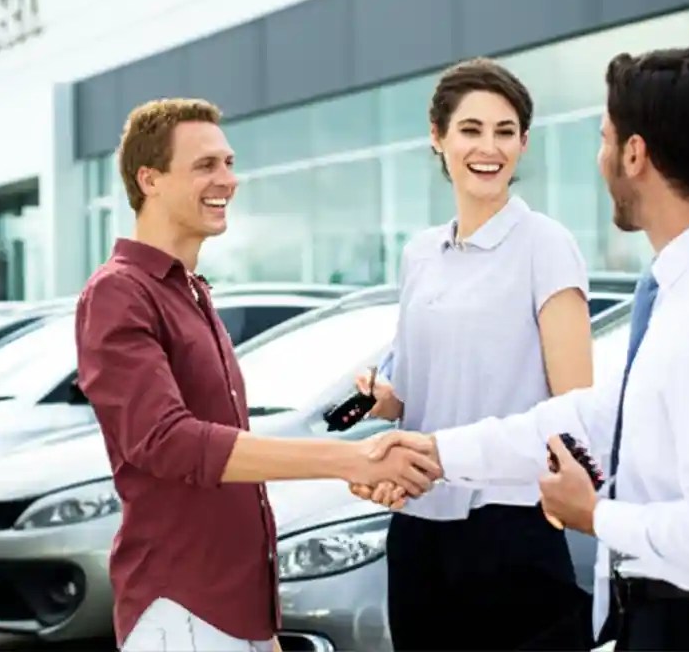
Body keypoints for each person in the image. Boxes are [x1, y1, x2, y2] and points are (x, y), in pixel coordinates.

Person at [361, 46, 689, 651]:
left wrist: (594, 516)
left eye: (605, 137)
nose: (600, 155)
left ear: (633, 154)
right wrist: (434, 449)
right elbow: (599, 414)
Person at [74, 98, 442, 652]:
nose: (228, 179)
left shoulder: (191, 292)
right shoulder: (119, 291)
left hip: (233, 610)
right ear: (148, 179)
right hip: (179, 609)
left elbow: (228, 457)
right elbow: (167, 441)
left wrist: (260, 628)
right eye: (205, 166)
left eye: (228, 163)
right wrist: (350, 459)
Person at [353, 57, 596, 651]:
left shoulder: (546, 245)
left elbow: (575, 406)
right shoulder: (419, 254)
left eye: (505, 131)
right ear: (437, 138)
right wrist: (382, 401)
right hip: (417, 526)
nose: (489, 147)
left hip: (510, 526)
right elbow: (412, 393)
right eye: (471, 130)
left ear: (523, 143)